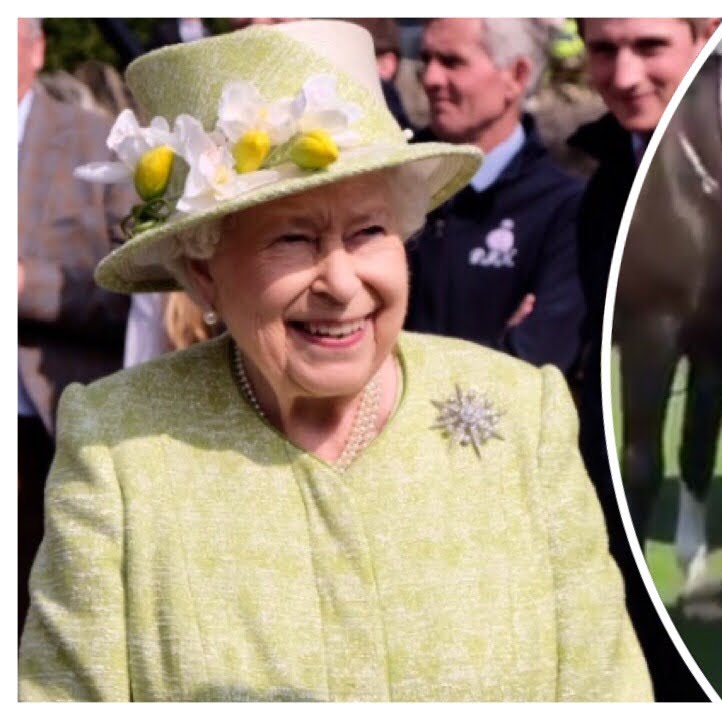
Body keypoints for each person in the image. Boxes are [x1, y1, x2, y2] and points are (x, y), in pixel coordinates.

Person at [18, 20, 651, 702]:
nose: (343, 283)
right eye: (292, 239)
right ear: (203, 275)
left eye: (369, 231)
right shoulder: (118, 446)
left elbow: (606, 692)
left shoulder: (523, 413)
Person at [569, 18, 717, 702]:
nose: (625, 77)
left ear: (703, 36)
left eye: (650, 47)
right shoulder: (582, 167)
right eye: (604, 50)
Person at [17, 16, 134, 633]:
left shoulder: (99, 142)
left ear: (35, 49)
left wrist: (24, 285)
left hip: (47, 427)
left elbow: (136, 293)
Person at [406, 18, 584, 373]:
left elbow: (536, 364)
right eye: (426, 60)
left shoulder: (565, 208)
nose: (431, 79)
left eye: (452, 62)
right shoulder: (393, 182)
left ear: (516, 76)